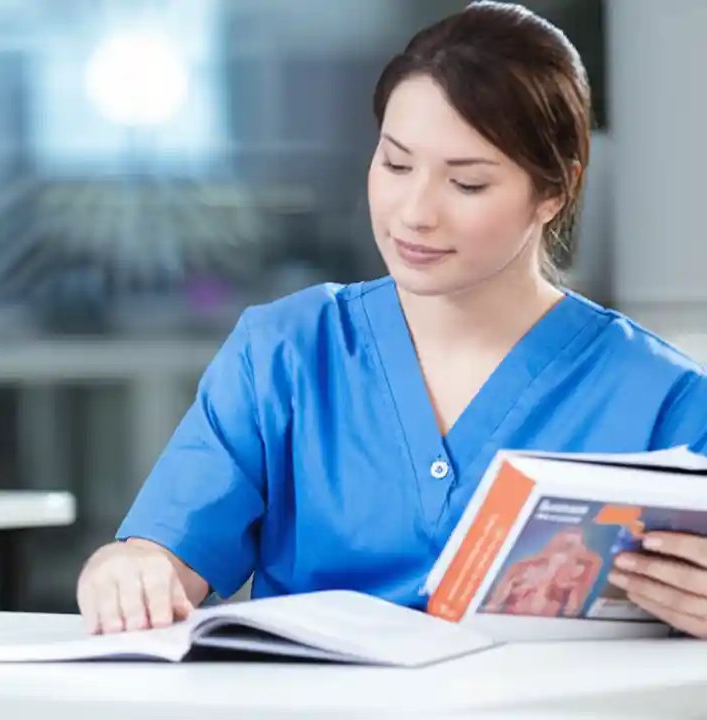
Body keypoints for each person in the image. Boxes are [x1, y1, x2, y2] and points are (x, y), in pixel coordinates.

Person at [76, 1, 707, 638]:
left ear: (555, 191)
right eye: (396, 164)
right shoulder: (286, 354)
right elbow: (164, 556)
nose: (414, 213)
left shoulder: (665, 398)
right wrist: (128, 570)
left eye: (467, 184)